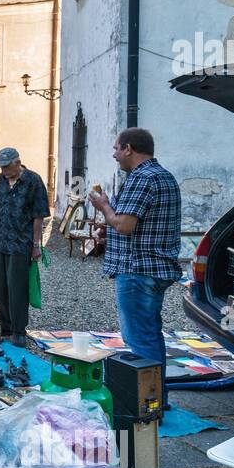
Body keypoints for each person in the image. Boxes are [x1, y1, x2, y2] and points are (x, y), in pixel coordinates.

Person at [88, 128, 182, 409]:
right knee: (150, 334)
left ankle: (148, 404)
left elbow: (125, 224)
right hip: (154, 268)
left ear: (129, 148)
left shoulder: (142, 178)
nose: (114, 154)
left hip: (138, 270)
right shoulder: (163, 176)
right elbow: (143, 225)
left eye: (117, 148)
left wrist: (104, 206)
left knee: (139, 340)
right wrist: (110, 233)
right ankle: (156, 398)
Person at [0, 148, 49, 347]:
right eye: (1, 167)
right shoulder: (2, 180)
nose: (3, 170)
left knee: (17, 287)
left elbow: (39, 215)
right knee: (0, 286)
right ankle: (4, 326)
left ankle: (18, 330)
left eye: (6, 166)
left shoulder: (33, 181)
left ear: (18, 162)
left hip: (20, 242)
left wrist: (36, 245)